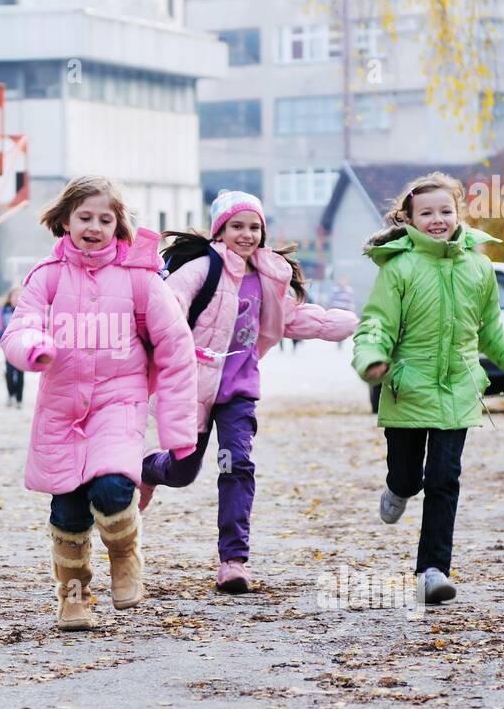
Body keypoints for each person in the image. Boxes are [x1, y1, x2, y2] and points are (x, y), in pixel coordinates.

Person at [0, 175, 197, 630]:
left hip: (118, 403)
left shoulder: (140, 281)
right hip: (62, 410)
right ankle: (73, 594)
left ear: (119, 225)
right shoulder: (46, 278)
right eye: (84, 217)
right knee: (66, 512)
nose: (94, 226)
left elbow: (175, 348)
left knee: (112, 488)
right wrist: (34, 348)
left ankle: (125, 553)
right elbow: (20, 327)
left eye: (105, 219)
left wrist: (178, 432)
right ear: (65, 220)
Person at [138, 190, 358, 593]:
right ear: (219, 230)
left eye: (254, 227)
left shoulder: (270, 276)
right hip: (193, 388)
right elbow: (168, 306)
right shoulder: (201, 269)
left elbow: (291, 318)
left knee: (236, 465)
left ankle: (233, 561)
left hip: (238, 391)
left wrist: (343, 325)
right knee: (184, 472)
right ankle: (148, 470)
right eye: (237, 226)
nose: (247, 234)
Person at [352, 172, 504, 604]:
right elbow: (376, 324)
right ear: (409, 218)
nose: (438, 219)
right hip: (406, 389)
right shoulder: (398, 267)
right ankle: (397, 488)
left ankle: (431, 571)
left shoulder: (478, 267)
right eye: (427, 213)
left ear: (459, 213)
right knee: (407, 475)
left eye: (446, 211)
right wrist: (372, 360)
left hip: (457, 390)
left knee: (444, 478)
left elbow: (492, 332)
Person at [0, 286, 25, 407]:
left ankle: (19, 399)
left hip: (22, 345)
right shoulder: (3, 311)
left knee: (20, 372)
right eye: (15, 296)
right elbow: (0, 327)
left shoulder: (26, 310)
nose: (17, 298)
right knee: (9, 371)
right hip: (8, 346)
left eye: (20, 296)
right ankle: (10, 395)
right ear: (10, 298)